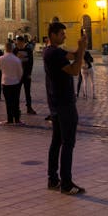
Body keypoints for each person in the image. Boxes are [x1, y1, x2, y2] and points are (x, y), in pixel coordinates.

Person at [43, 22, 85, 195]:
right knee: (68, 143)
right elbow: (75, 70)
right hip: (65, 103)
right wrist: (82, 49)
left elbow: (72, 54)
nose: (64, 36)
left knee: (57, 142)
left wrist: (80, 48)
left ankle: (53, 179)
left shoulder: (51, 52)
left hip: (55, 103)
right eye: (61, 34)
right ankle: (66, 183)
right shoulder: (54, 53)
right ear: (52, 35)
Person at [0, 40, 23, 125]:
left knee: (8, 102)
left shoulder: (1, 58)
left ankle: (10, 119)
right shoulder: (17, 59)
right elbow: (20, 72)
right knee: (16, 101)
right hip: (15, 82)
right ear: (12, 49)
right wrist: (18, 79)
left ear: (5, 48)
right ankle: (17, 119)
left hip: (5, 82)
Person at [16, 35, 37, 114]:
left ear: (22, 42)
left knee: (28, 92)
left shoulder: (28, 50)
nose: (18, 45)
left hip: (26, 75)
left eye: (19, 43)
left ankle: (29, 108)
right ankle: (17, 108)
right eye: (17, 43)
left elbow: (31, 62)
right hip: (17, 76)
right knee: (17, 92)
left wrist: (29, 73)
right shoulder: (15, 50)